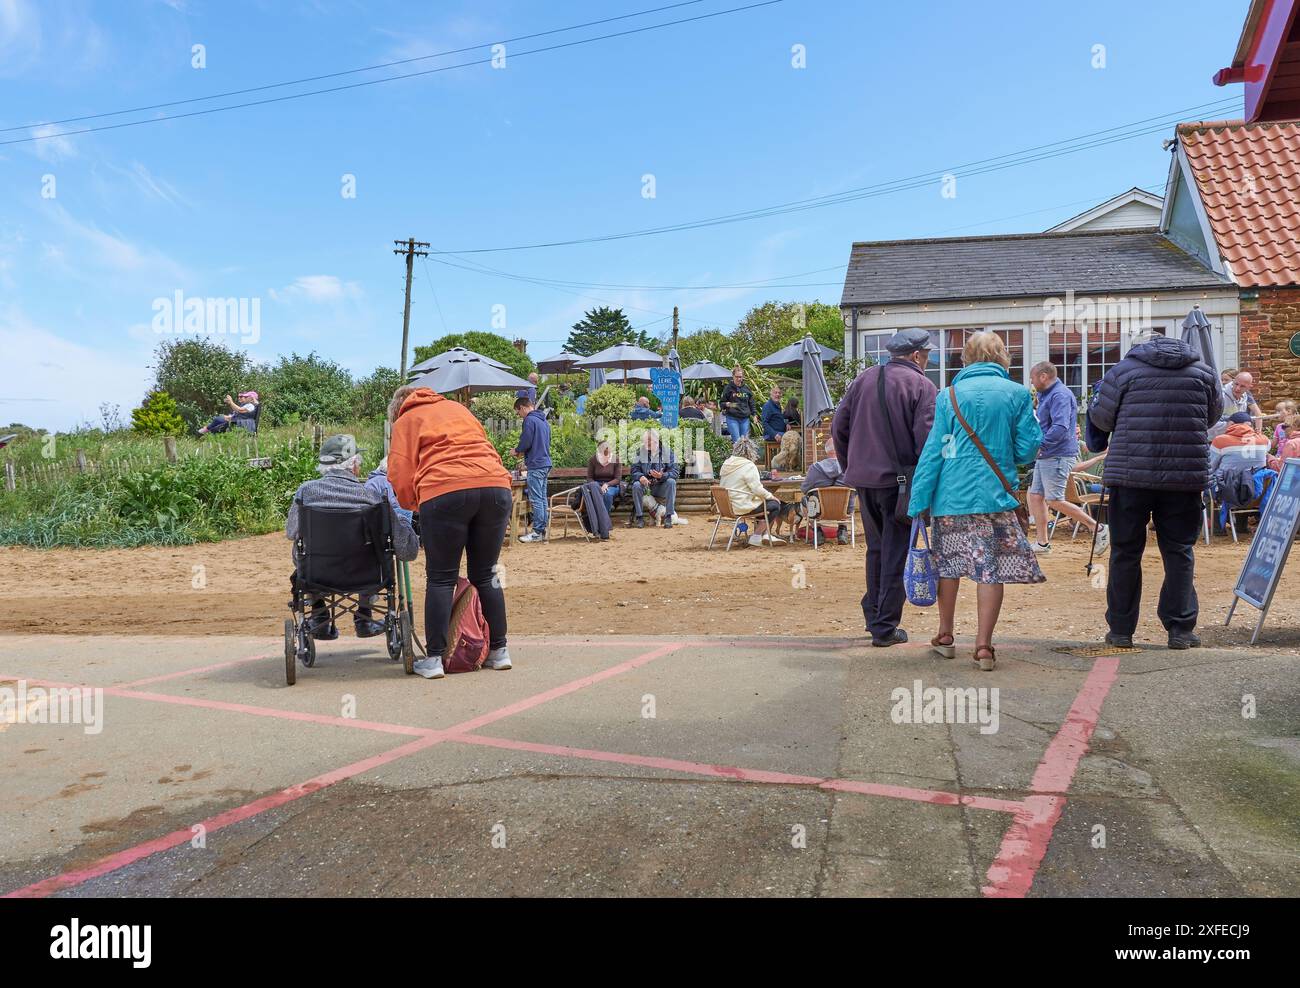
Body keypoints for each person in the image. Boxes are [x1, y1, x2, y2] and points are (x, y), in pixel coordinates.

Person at [908, 332, 1043, 671]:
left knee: (948, 567)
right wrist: (1003, 451)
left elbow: (936, 451)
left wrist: (918, 501)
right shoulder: (1017, 394)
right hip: (995, 497)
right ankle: (984, 647)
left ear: (965, 359)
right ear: (1001, 357)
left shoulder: (948, 396)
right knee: (990, 571)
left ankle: (945, 635)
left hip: (950, 498)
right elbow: (1029, 448)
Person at [1088, 330, 1221, 650]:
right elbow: (1211, 417)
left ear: (1141, 347)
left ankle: (1121, 629)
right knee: (1179, 552)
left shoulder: (1122, 371)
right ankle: (1180, 629)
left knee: (1125, 552)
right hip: (1184, 476)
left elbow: (1102, 421)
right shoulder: (1204, 373)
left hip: (1130, 475)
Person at [388, 385, 515, 680]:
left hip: (445, 489)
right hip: (495, 486)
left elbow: (400, 473)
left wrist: (416, 505)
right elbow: (486, 447)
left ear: (397, 408)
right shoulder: (459, 409)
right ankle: (499, 651)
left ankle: (434, 659)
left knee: (441, 577)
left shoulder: (406, 420)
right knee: (486, 574)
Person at [832, 327, 938, 647]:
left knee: (876, 550)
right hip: (900, 484)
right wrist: (928, 488)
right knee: (894, 553)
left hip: (863, 480)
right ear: (917, 355)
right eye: (928, 354)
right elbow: (928, 444)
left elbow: (839, 427)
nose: (929, 360)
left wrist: (850, 465)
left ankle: (874, 613)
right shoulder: (922, 385)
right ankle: (884, 626)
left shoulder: (864, 378)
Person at [286, 434, 419, 639]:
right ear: (354, 465)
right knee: (378, 552)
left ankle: (318, 612)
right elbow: (406, 550)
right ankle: (364, 615)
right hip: (366, 575)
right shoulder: (372, 498)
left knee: (301, 547)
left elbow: (291, 532)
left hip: (318, 574)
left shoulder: (305, 493)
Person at [1026, 361, 1108, 554]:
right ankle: (1042, 543)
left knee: (1054, 500)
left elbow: (1061, 427)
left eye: (1032, 378)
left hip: (1057, 455)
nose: (1031, 382)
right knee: (1036, 496)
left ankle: (1098, 528)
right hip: (1047, 455)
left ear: (1043, 376)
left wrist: (1041, 445)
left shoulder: (1059, 395)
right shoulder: (1046, 395)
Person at [719, 436, 785, 546]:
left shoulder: (726, 464)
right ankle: (757, 536)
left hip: (726, 506)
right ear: (751, 452)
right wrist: (771, 496)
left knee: (763, 503)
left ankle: (764, 535)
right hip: (741, 506)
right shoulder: (748, 465)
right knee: (774, 504)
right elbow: (757, 489)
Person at [512, 395, 551, 543]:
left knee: (536, 499)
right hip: (545, 462)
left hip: (536, 464)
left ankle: (537, 532)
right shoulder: (544, 421)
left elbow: (526, 441)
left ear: (522, 408)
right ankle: (542, 531)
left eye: (518, 412)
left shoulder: (529, 420)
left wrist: (516, 450)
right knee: (541, 498)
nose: (519, 416)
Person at [801, 435, 852, 544]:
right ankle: (842, 530)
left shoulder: (815, 468)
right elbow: (858, 487)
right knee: (850, 497)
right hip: (845, 510)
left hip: (819, 511)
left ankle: (818, 531)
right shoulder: (850, 467)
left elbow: (804, 488)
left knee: (804, 500)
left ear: (826, 451)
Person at [630, 429, 678, 528]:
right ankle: (639, 517)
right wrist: (640, 476)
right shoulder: (640, 452)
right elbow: (634, 470)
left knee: (671, 482)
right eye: (644, 441)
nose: (645, 443)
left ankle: (668, 516)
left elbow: (675, 472)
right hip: (646, 486)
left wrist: (662, 476)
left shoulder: (667, 452)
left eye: (648, 440)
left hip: (660, 486)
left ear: (656, 440)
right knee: (636, 485)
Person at [586, 439, 623, 520]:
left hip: (612, 485)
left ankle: (604, 519)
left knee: (607, 494)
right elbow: (589, 478)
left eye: (608, 452)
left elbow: (617, 479)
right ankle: (593, 519)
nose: (607, 455)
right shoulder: (593, 460)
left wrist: (606, 485)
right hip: (596, 484)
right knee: (592, 493)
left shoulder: (616, 459)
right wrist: (597, 486)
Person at [720, 366, 757, 443]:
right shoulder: (728, 388)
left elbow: (751, 402)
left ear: (742, 377)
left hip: (744, 419)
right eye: (736, 377)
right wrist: (727, 404)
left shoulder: (746, 388)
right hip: (732, 418)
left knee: (744, 442)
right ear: (733, 376)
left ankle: (743, 455)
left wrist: (754, 415)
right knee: (737, 442)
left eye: (740, 377)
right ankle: (737, 454)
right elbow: (721, 403)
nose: (738, 379)